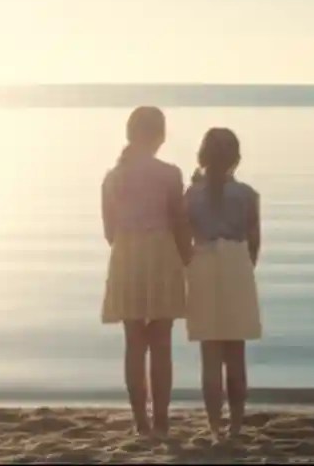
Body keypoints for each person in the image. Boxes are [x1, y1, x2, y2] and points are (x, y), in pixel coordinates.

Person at [100, 106, 190, 437]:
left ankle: (141, 422)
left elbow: (109, 231)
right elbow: (179, 222)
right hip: (162, 253)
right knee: (161, 342)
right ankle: (162, 420)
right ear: (160, 136)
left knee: (134, 343)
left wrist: (128, 245)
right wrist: (188, 258)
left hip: (126, 255)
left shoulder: (113, 177)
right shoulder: (170, 174)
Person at [183, 127, 262, 442]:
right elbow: (254, 243)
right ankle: (237, 424)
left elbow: (185, 236)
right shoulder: (248, 194)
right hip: (236, 266)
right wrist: (245, 267)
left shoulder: (191, 195)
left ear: (202, 157)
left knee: (210, 356)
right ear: (237, 159)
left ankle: (215, 426)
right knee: (236, 353)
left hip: (203, 263)